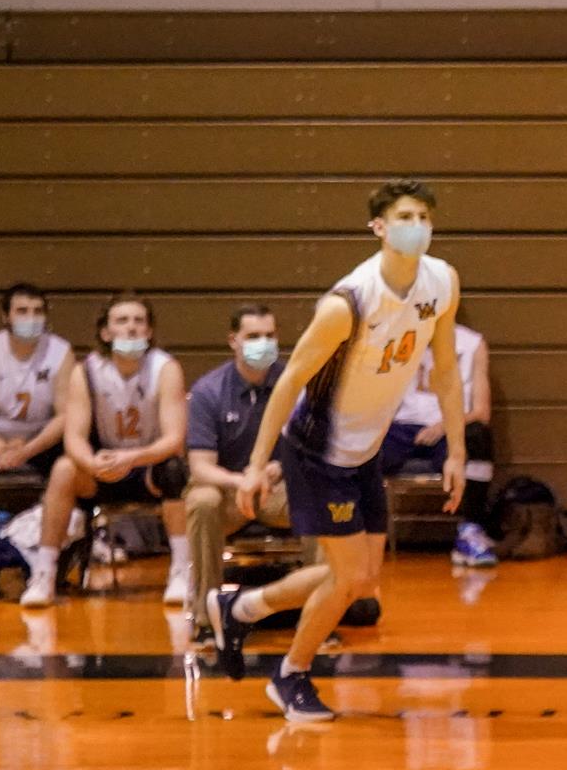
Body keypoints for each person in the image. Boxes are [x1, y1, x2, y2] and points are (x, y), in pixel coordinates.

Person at [207, 179, 465, 722]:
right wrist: (256, 466)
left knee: (362, 580)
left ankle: (241, 606)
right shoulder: (348, 302)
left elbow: (444, 368)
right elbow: (288, 381)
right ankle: (291, 675)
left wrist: (456, 452)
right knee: (348, 578)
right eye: (403, 215)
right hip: (318, 452)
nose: (415, 224)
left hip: (364, 449)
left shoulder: (442, 281)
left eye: (423, 215)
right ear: (378, 227)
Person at [23, 293, 190, 609]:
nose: (131, 328)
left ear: (150, 331)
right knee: (63, 469)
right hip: (104, 467)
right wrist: (92, 463)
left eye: (139, 321)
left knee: (175, 470)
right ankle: (43, 575)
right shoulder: (87, 371)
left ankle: (181, 572)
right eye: (122, 321)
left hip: (148, 466)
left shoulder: (165, 368)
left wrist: (133, 458)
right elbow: (74, 438)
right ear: (105, 332)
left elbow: (174, 440)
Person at [183, 304, 292, 631]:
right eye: (254, 336)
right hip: (227, 490)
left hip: (275, 489)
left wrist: (280, 467)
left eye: (269, 335)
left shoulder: (293, 384)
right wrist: (239, 480)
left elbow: (310, 447)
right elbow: (200, 467)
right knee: (202, 501)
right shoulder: (209, 390)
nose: (263, 342)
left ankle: (317, 614)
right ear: (234, 341)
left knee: (317, 496)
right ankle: (206, 617)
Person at [378, 320, 498, 567]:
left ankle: (470, 530)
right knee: (362, 444)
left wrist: (445, 425)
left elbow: (481, 412)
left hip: (451, 427)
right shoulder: (399, 338)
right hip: (405, 427)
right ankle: (357, 533)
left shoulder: (472, 343)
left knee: (479, 436)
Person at [0, 283, 75, 479]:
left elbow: (64, 415)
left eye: (38, 311)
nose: (31, 318)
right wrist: (2, 448)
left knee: (72, 451)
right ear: (6, 316)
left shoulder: (60, 351)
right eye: (22, 311)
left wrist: (27, 450)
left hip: (43, 439)